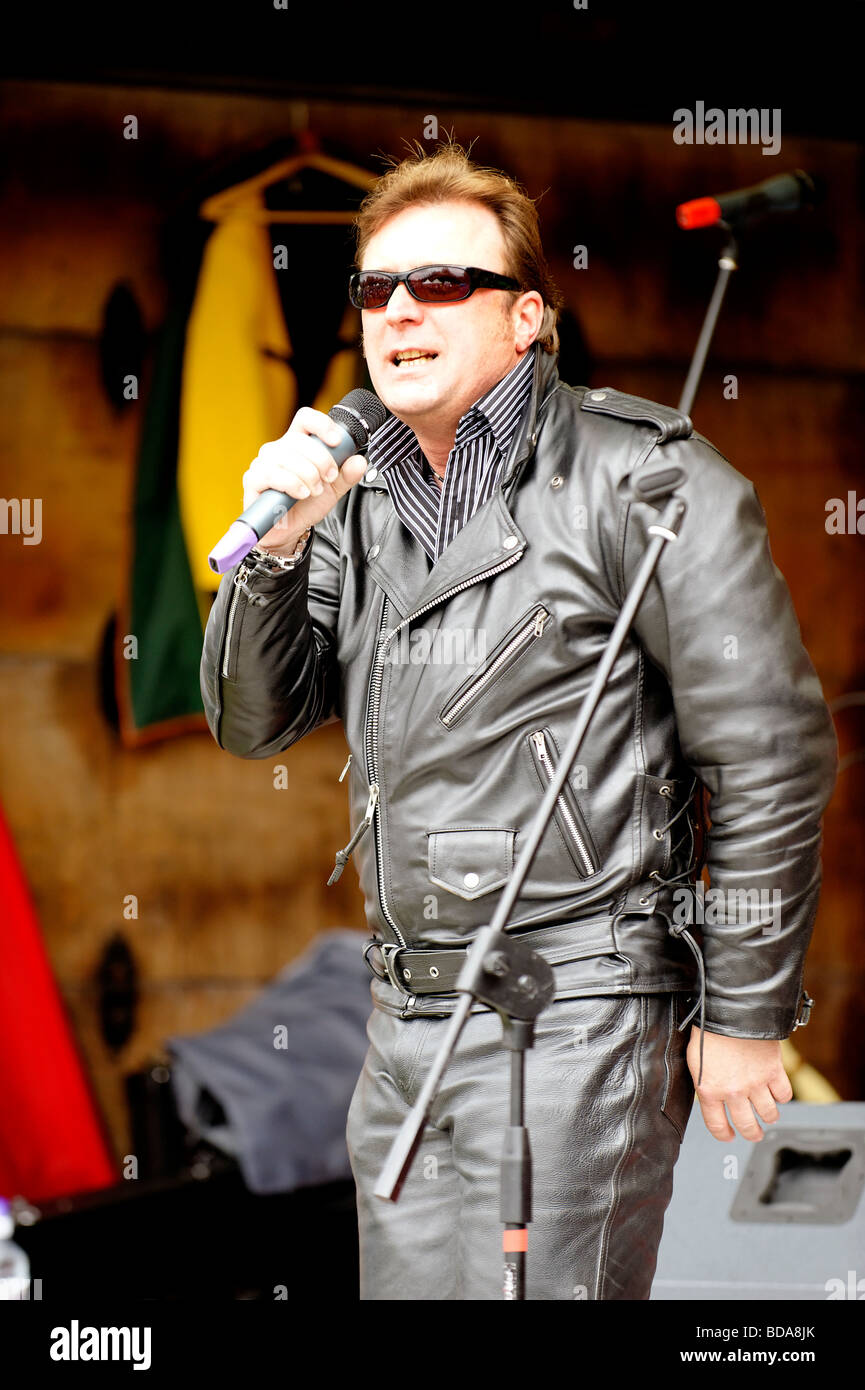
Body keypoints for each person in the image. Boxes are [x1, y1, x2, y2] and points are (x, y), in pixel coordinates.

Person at [200, 143, 838, 1300]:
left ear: (528, 316)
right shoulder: (352, 501)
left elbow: (770, 749)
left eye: (442, 282)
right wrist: (275, 556)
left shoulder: (646, 479)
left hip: (577, 1012)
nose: (399, 309)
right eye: (375, 288)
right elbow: (255, 725)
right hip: (402, 1021)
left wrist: (744, 1010)